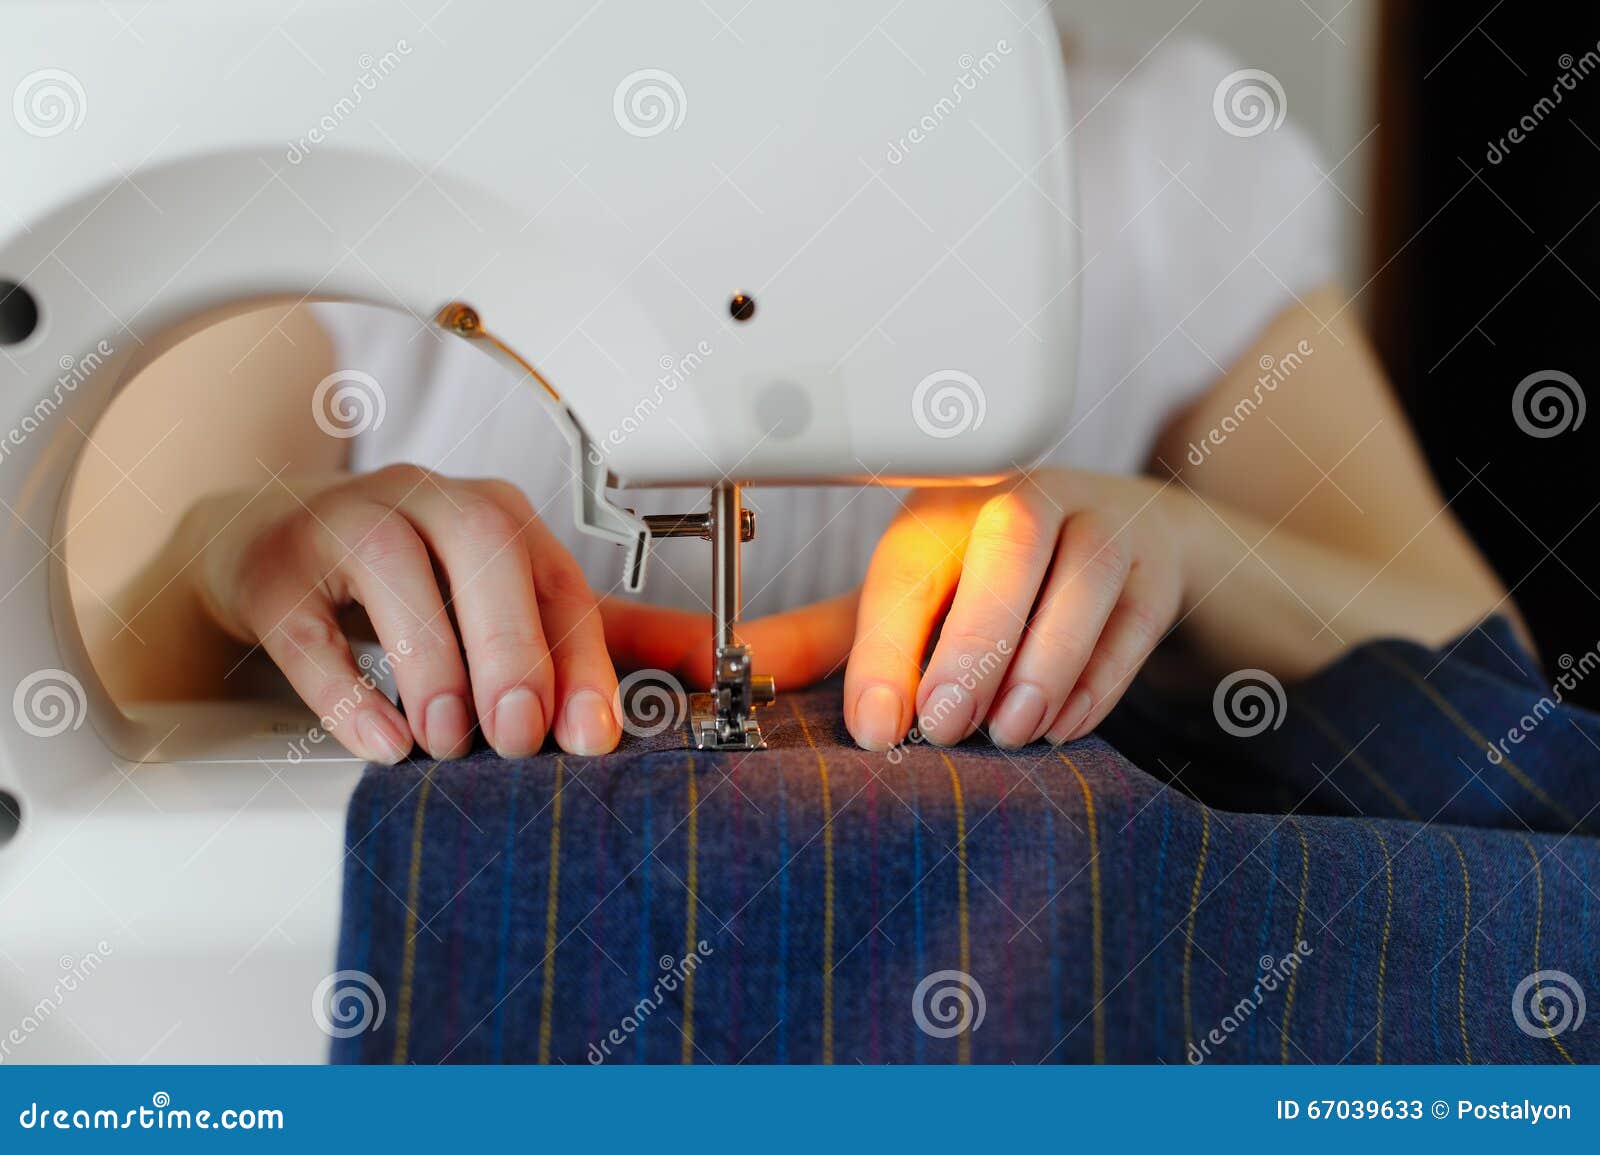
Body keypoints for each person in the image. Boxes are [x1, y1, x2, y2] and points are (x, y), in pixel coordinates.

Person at [80, 41, 1521, 764]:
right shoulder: (325, 148)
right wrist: (233, 550)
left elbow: (1497, 696)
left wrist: (1177, 551)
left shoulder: (1161, 171)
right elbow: (87, 680)